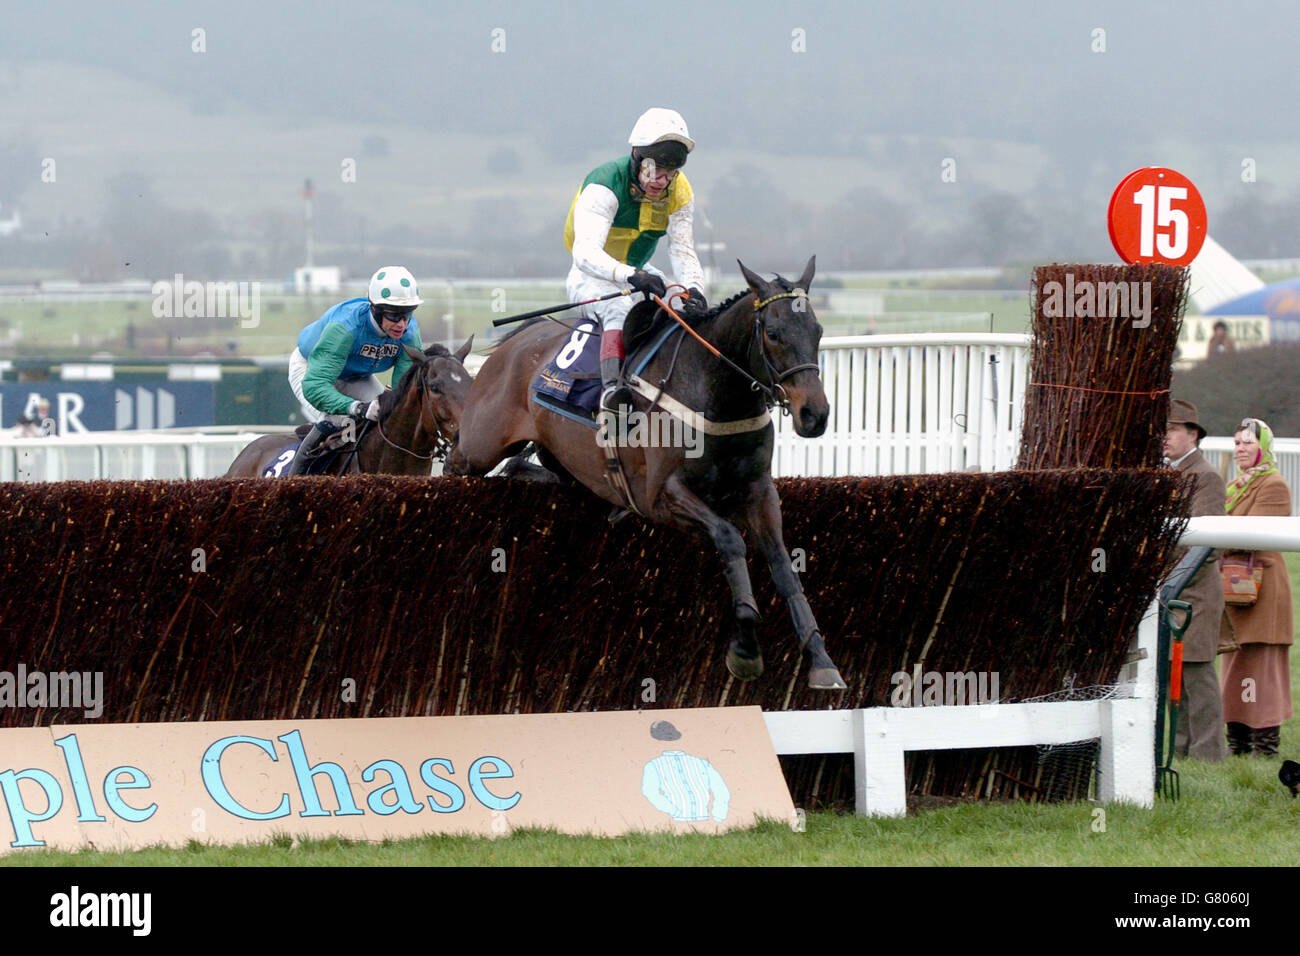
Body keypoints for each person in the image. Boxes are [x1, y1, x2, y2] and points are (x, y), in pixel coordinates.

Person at [563, 107, 709, 415]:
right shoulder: (603, 185)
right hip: (590, 275)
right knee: (618, 308)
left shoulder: (680, 191)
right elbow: (585, 254)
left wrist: (694, 289)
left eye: (670, 174)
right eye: (653, 171)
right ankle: (613, 394)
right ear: (636, 156)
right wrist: (630, 275)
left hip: (637, 271)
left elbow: (682, 250)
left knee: (686, 305)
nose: (660, 181)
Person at [286, 266, 424, 475]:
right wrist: (356, 408)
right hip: (312, 372)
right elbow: (315, 386)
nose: (402, 324)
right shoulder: (345, 328)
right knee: (338, 421)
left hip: (357, 376)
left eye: (407, 315)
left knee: (385, 420)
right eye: (394, 316)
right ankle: (293, 481)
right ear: (376, 310)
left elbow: (401, 392)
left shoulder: (409, 333)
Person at [1220, 417, 1294, 756]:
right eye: (1237, 443)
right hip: (1235, 590)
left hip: (1262, 591)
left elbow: (1250, 535)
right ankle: (1238, 743)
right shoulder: (1235, 486)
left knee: (1261, 668)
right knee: (1235, 665)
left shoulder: (1274, 484)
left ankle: (1265, 747)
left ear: (1263, 447)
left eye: (1248, 442)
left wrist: (1216, 535)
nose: (1241, 449)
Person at [1162, 400, 1227, 761]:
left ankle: (1208, 753)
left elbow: (1207, 544)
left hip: (1196, 592)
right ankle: (1183, 749)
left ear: (1192, 435)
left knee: (1199, 677)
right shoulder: (1171, 474)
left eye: (1172, 430)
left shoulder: (1206, 477)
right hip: (1174, 592)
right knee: (1179, 678)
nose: (1165, 437)